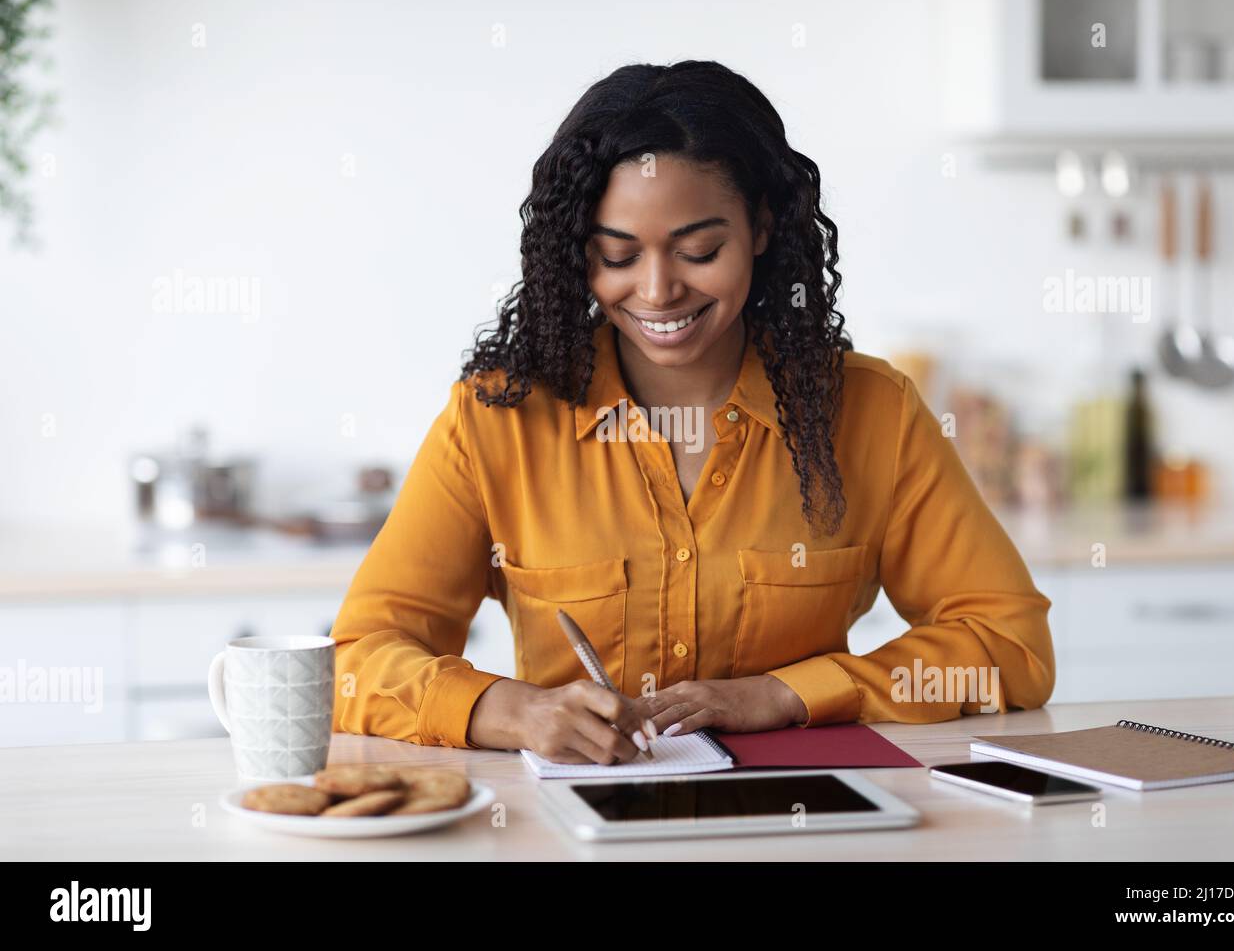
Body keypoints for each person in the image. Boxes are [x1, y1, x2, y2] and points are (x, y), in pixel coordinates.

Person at [330, 60, 1054, 765]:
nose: (658, 291)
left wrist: (785, 694)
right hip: (573, 827)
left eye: (699, 250)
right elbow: (357, 661)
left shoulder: (872, 413)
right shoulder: (498, 421)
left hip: (811, 829)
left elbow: (1011, 646)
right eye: (616, 256)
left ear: (762, 228)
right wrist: (509, 710)